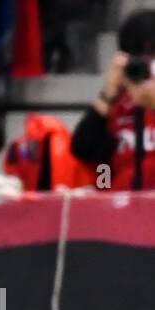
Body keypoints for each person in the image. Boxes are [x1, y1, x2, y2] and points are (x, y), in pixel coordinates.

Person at [71, 10, 155, 191]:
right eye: (141, 55)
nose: (149, 63)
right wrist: (108, 95)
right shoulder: (117, 105)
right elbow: (86, 151)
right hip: (122, 209)